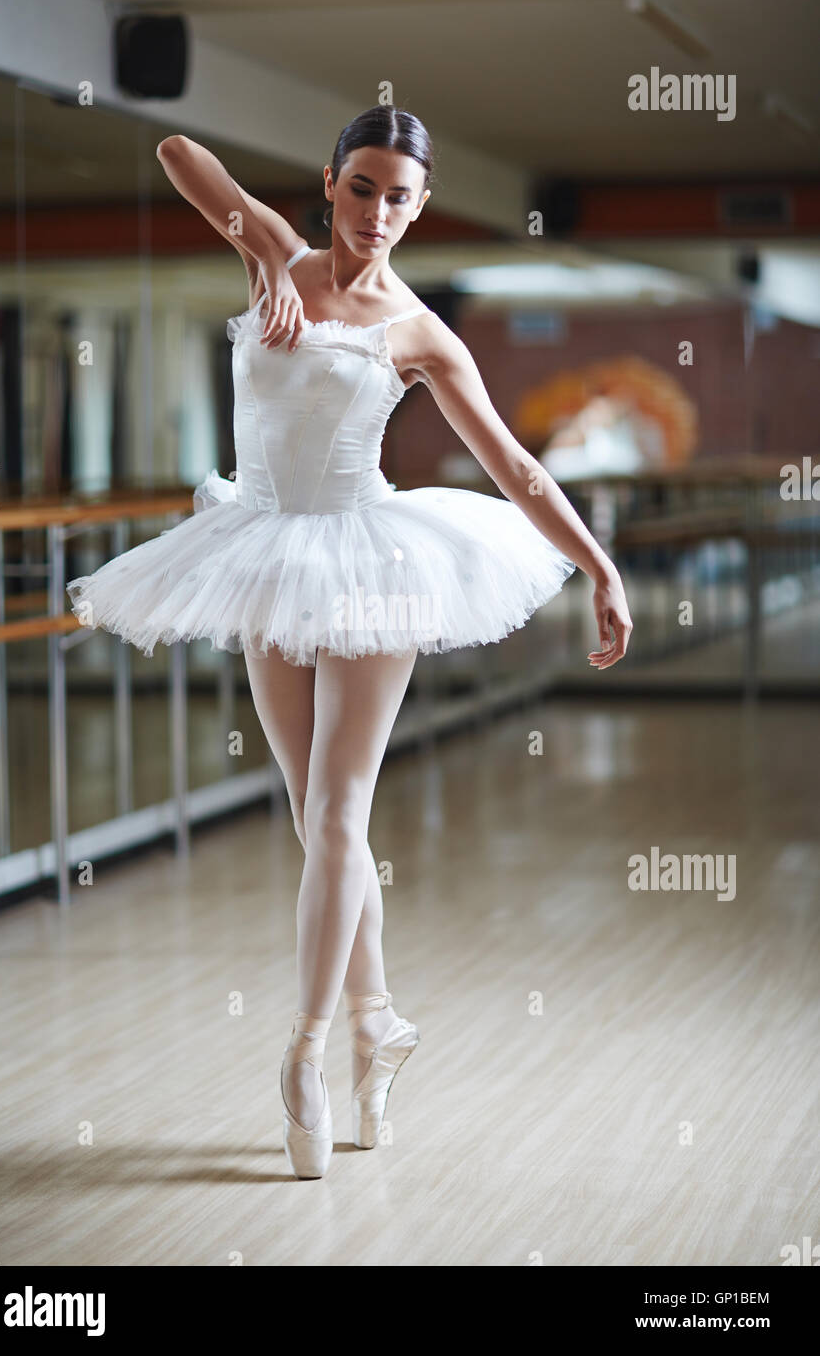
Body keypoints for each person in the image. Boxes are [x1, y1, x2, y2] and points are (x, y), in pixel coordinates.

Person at [67, 105, 632, 1180]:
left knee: (336, 814)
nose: (377, 212)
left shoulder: (418, 332)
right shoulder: (275, 252)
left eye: (399, 198)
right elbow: (176, 151)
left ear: (419, 210)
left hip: (369, 562)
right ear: (328, 183)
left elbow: (516, 469)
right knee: (309, 817)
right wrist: (265, 259)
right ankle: (377, 1020)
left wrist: (598, 567)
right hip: (262, 551)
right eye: (361, 186)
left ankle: (308, 1052)